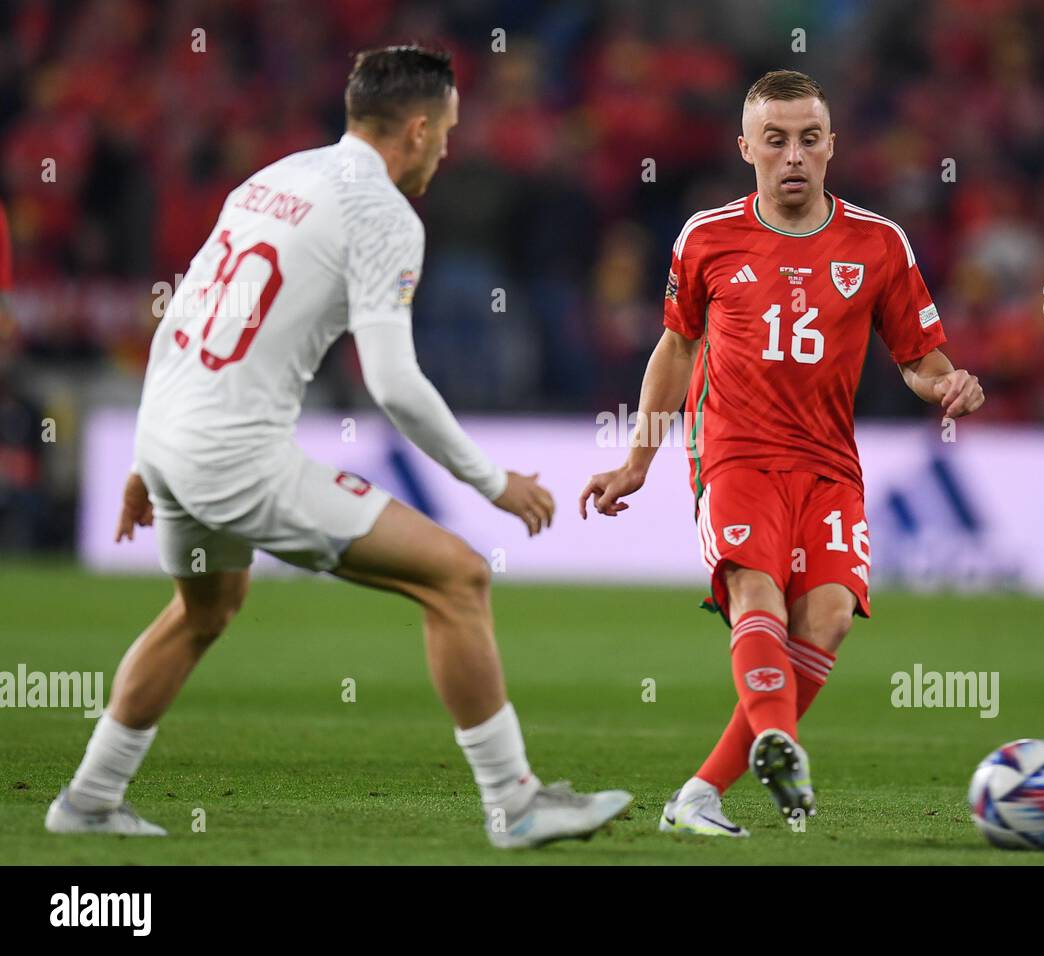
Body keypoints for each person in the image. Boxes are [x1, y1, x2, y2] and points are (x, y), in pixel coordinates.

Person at [47, 46, 630, 849]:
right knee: (458, 578)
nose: (449, 150)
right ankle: (516, 801)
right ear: (418, 130)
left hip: (174, 434)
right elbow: (394, 384)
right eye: (448, 133)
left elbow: (185, 318)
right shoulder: (384, 214)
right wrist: (494, 481)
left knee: (205, 608)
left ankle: (88, 798)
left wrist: (150, 457)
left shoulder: (273, 179)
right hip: (234, 454)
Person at [580, 70, 984, 836]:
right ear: (747, 149)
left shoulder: (878, 244)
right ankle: (777, 738)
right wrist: (639, 458)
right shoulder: (706, 238)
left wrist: (947, 385)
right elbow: (675, 347)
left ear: (831, 145)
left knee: (826, 620)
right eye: (776, 140)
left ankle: (700, 793)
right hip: (734, 453)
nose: (793, 154)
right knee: (755, 593)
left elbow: (918, 356)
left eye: (808, 139)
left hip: (830, 464)